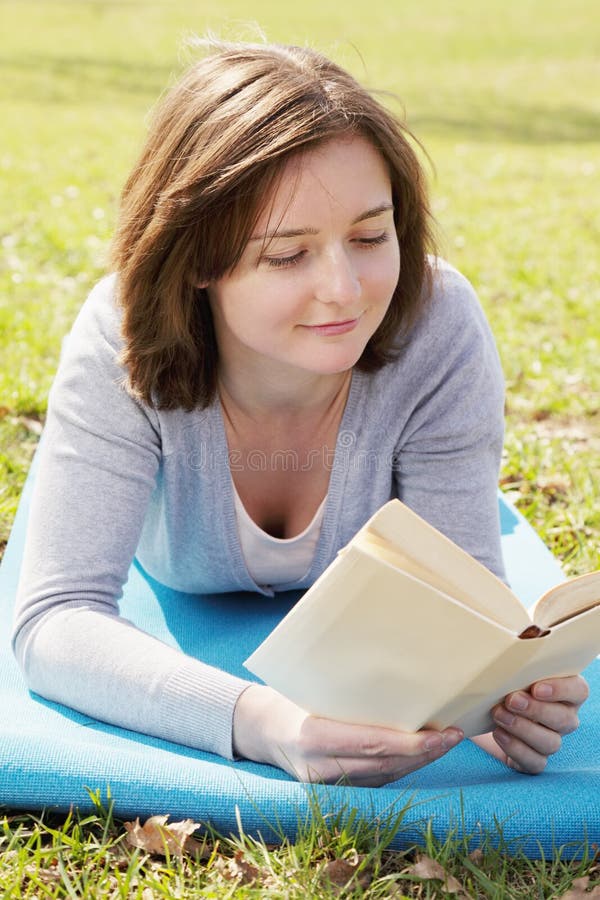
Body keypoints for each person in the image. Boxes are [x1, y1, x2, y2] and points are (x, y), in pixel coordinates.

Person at [12, 39, 587, 786]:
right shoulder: (120, 335)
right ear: (197, 265)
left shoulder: (436, 323)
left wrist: (502, 698)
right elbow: (55, 621)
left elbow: (467, 603)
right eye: (288, 255)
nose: (346, 290)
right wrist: (264, 725)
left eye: (370, 236)